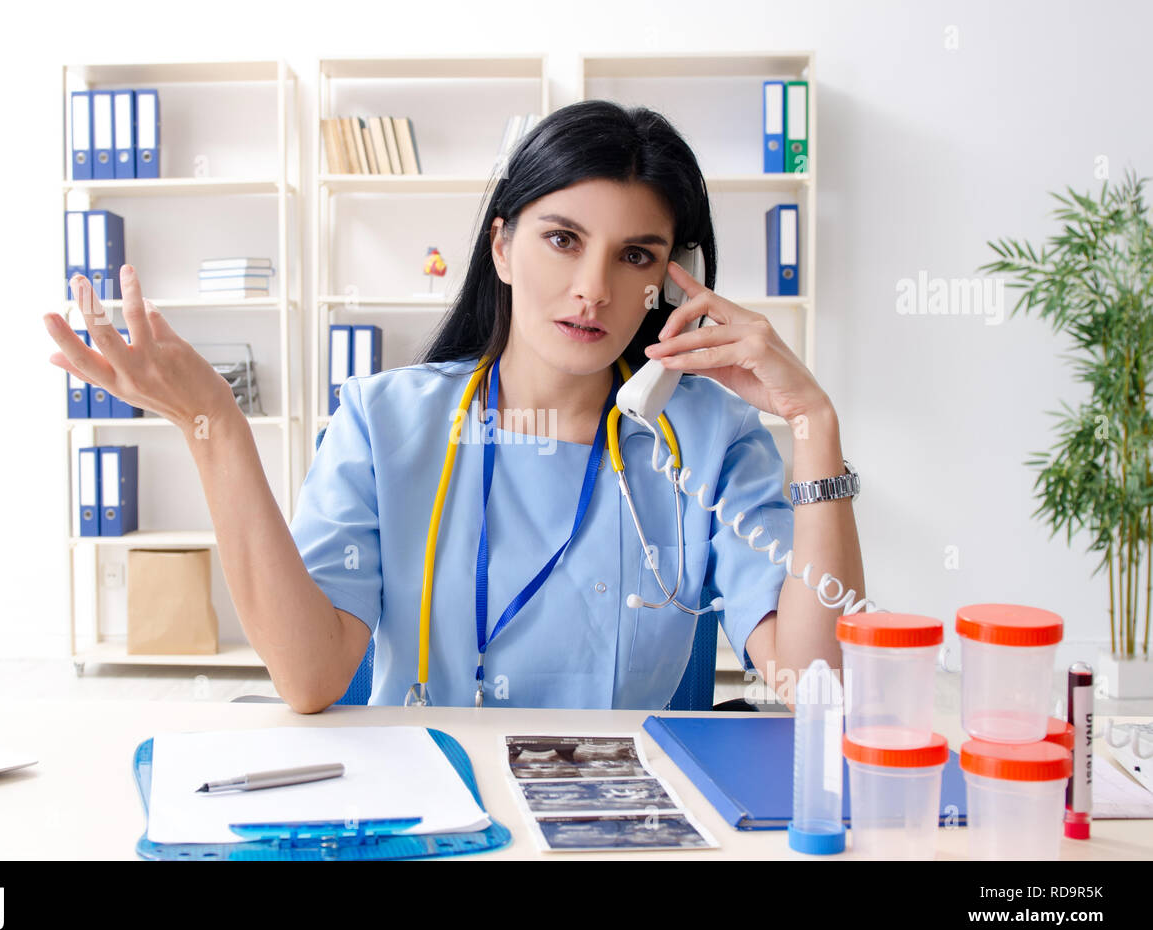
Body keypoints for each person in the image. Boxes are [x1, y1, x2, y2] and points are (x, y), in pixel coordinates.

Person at [42, 99, 864, 713]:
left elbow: (811, 686)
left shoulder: (710, 441)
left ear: (664, 280)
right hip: (438, 807)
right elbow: (310, 676)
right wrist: (212, 425)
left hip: (630, 824)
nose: (592, 290)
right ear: (502, 246)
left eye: (635, 255)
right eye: (563, 239)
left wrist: (813, 426)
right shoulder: (383, 421)